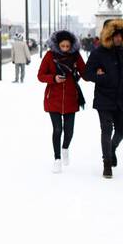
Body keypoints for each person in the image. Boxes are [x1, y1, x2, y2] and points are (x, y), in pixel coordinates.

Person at [83, 18, 123, 178]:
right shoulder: (98, 52)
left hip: (122, 97)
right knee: (106, 130)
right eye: (115, 36)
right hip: (104, 98)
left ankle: (112, 148)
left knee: (122, 131)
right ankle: (107, 163)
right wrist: (101, 77)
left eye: (120, 36)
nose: (118, 39)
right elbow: (87, 73)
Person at [37, 30, 87, 173]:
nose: (65, 49)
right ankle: (57, 159)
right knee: (57, 129)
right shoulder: (49, 56)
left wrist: (98, 72)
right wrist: (54, 78)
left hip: (71, 98)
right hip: (53, 98)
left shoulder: (75, 56)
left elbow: (85, 73)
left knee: (69, 131)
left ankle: (65, 148)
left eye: (67, 46)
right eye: (62, 46)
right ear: (58, 45)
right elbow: (40, 75)